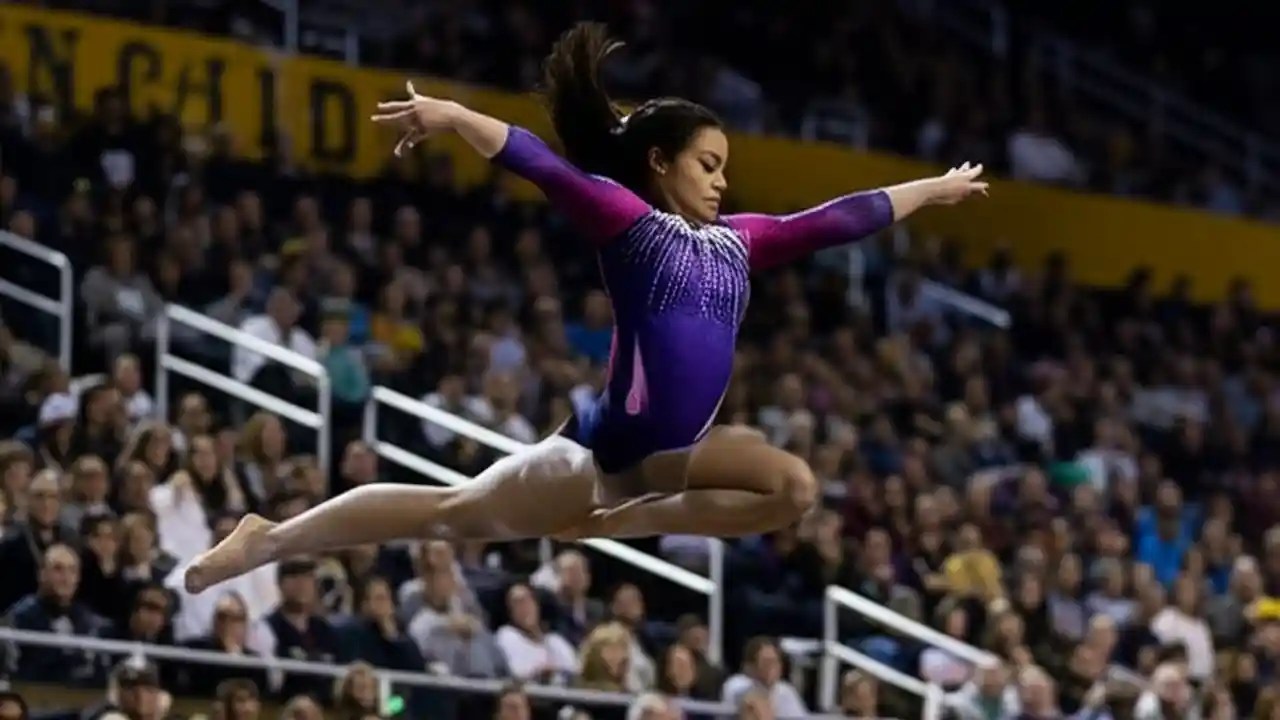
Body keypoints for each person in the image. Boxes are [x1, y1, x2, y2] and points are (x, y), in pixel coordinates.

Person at [183, 22, 987, 594]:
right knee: (450, 513)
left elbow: (839, 218)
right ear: (659, 162)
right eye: (707, 164)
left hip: (659, 462)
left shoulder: (742, 242)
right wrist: (456, 115)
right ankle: (270, 539)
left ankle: (610, 526)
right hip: (603, 453)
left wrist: (940, 189)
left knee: (792, 489)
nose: (720, 181)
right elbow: (541, 165)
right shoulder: (628, 222)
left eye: (724, 168)